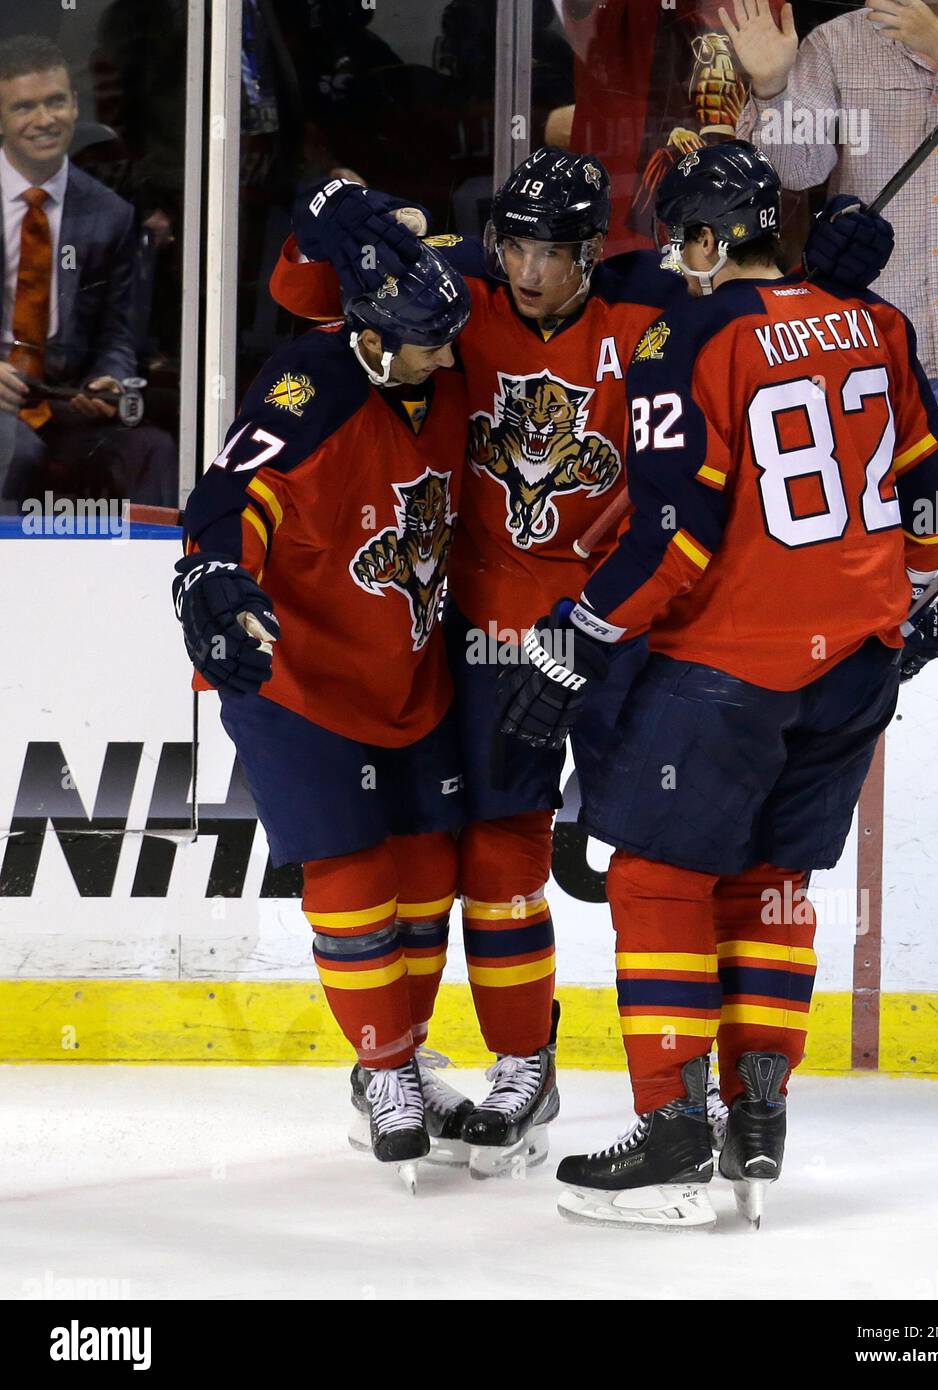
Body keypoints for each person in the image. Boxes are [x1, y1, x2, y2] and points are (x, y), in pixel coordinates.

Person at [267, 151, 894, 1178]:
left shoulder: (653, 295)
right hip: (473, 622)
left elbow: (757, 303)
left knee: (650, 865)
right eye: (512, 242)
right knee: (458, 856)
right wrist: (332, 219)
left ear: (593, 249)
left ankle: (577, 1071)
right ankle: (416, 1061)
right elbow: (304, 291)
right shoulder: (459, 282)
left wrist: (826, 276)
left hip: (616, 624)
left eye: (550, 250)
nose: (526, 267)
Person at [499, 142, 938, 1230]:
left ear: (712, 239)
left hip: (730, 667)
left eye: (680, 242)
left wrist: (574, 634)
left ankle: (671, 1126)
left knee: (656, 882)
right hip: (855, 665)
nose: (673, 262)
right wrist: (911, 595)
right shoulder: (878, 323)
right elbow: (931, 497)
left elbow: (674, 544)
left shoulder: (688, 339)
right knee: (770, 883)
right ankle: (756, 1112)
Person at [173, 245, 473, 1193]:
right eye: (426, 346)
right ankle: (384, 1075)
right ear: (371, 339)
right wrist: (217, 571)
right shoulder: (314, 385)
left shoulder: (440, 365)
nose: (446, 358)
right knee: (350, 876)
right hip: (296, 674)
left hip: (406, 666)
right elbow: (236, 493)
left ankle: (404, 1051)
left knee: (427, 872)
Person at [730, 0, 938, 506]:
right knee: (873, 509)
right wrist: (772, 89)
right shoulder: (835, 42)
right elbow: (797, 169)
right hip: (870, 337)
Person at [0, 33, 175, 509]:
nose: (44, 120)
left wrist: (110, 379)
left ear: (76, 105)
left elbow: (120, 334)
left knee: (152, 452)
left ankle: (163, 582)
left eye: (56, 101)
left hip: (63, 406)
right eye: (23, 107)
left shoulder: (110, 214)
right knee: (11, 447)